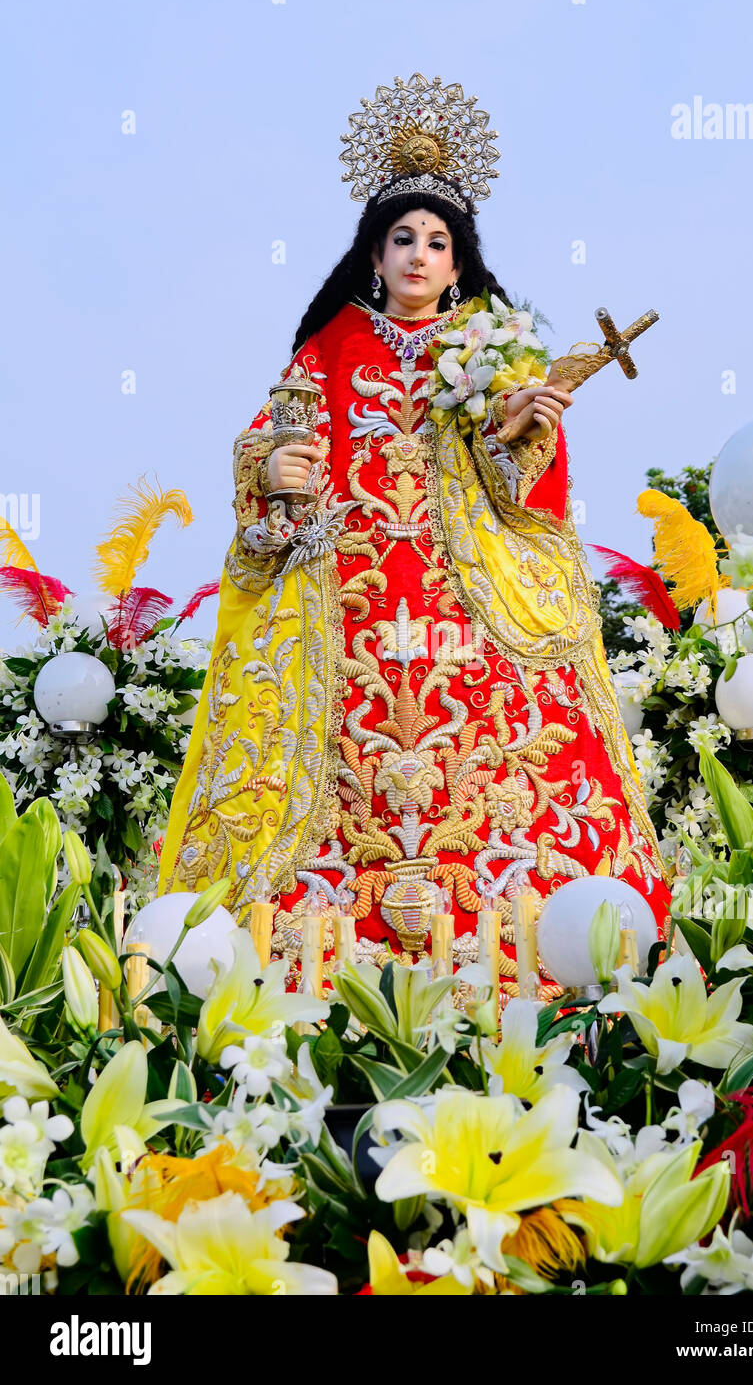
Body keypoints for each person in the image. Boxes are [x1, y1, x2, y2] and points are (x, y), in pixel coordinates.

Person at [158, 75, 669, 993]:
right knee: (334, 765)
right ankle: (327, 966)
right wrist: (274, 475)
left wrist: (523, 433)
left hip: (460, 601)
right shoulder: (330, 345)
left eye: (437, 241)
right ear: (375, 254)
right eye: (403, 239)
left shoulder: (490, 345)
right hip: (348, 607)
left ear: (459, 261)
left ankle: (509, 958)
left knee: (498, 749)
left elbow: (532, 495)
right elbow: (272, 445)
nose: (419, 254)